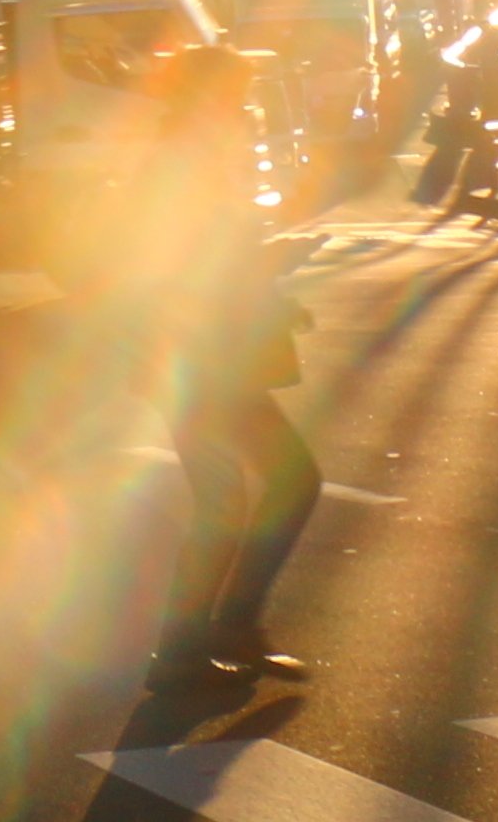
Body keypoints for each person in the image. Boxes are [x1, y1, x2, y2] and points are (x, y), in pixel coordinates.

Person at [127, 45, 315, 699]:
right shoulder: (182, 165)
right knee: (254, 491)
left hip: (206, 356)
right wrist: (270, 267)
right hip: (195, 359)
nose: (247, 107)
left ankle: (218, 632)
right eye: (238, 95)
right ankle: (196, 642)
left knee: (265, 488)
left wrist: (274, 289)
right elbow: (188, 265)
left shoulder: (192, 158)